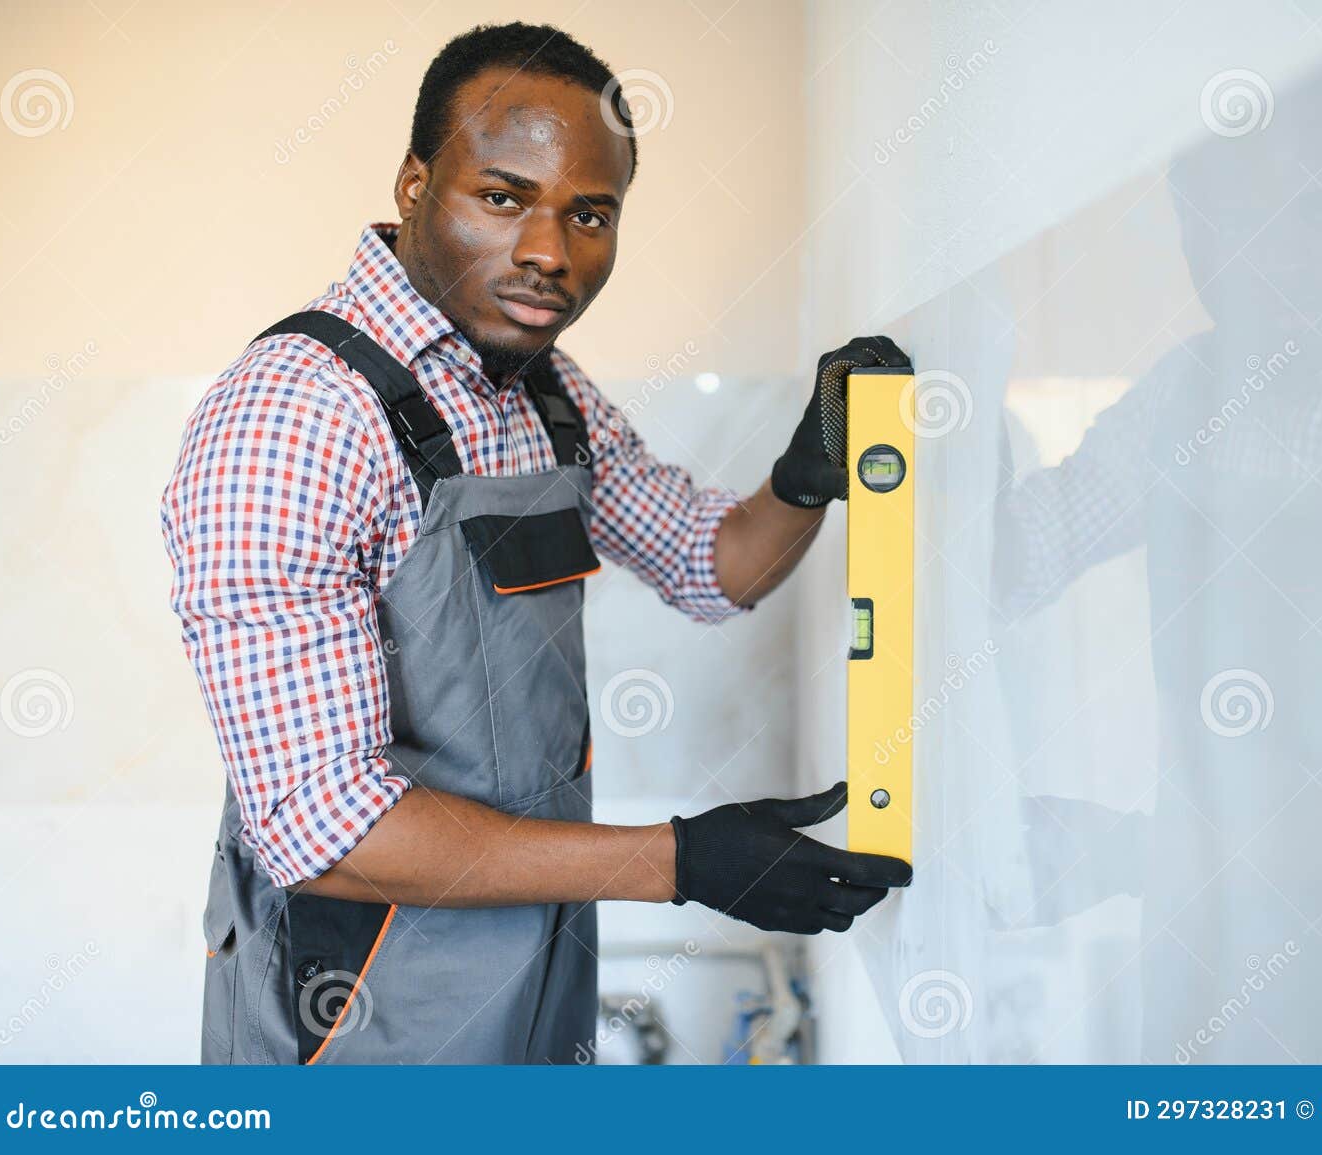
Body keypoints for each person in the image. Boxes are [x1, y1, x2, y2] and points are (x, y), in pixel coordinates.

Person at [160, 21, 911, 1066]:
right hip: (354, 1031)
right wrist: (684, 861)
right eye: (504, 197)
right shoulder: (300, 414)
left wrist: (807, 473)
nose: (551, 253)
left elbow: (712, 563)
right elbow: (322, 826)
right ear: (416, 183)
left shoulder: (540, 395)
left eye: (589, 214)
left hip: (533, 986)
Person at [996, 66, 1322, 1061]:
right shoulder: (1187, 396)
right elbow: (1019, 562)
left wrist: (1131, 853)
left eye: (1310, 213)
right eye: (1222, 222)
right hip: (1211, 971)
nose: (1265, 258)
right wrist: (911, 437)